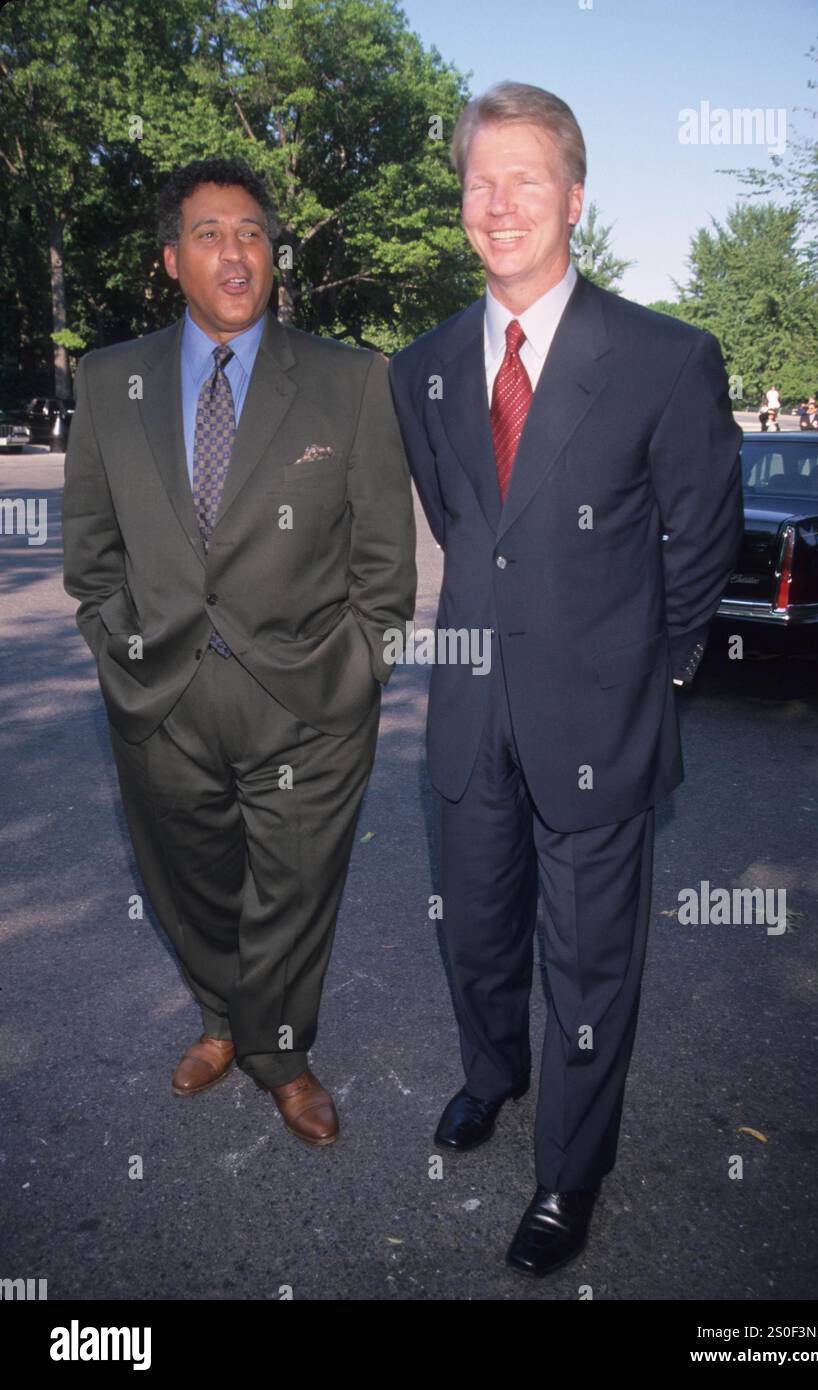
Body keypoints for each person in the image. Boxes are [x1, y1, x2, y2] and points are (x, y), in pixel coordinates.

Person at [389, 82, 743, 1277]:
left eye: (524, 179)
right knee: (476, 929)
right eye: (477, 182)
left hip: (599, 721)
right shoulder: (424, 367)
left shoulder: (662, 358)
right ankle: (491, 1074)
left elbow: (699, 543)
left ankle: (568, 1172)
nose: (498, 204)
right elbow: (467, 529)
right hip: (466, 708)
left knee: (587, 960)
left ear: (574, 198)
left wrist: (645, 673)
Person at [63, 158, 417, 1146]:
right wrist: (117, 651)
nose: (235, 253)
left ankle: (279, 1053)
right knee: (192, 885)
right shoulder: (107, 380)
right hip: (161, 697)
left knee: (293, 895)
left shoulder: (351, 380)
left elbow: (385, 564)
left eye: (253, 233)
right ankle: (223, 1018)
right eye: (210, 234)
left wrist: (360, 672)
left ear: (274, 255)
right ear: (170, 259)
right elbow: (91, 553)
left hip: (310, 702)